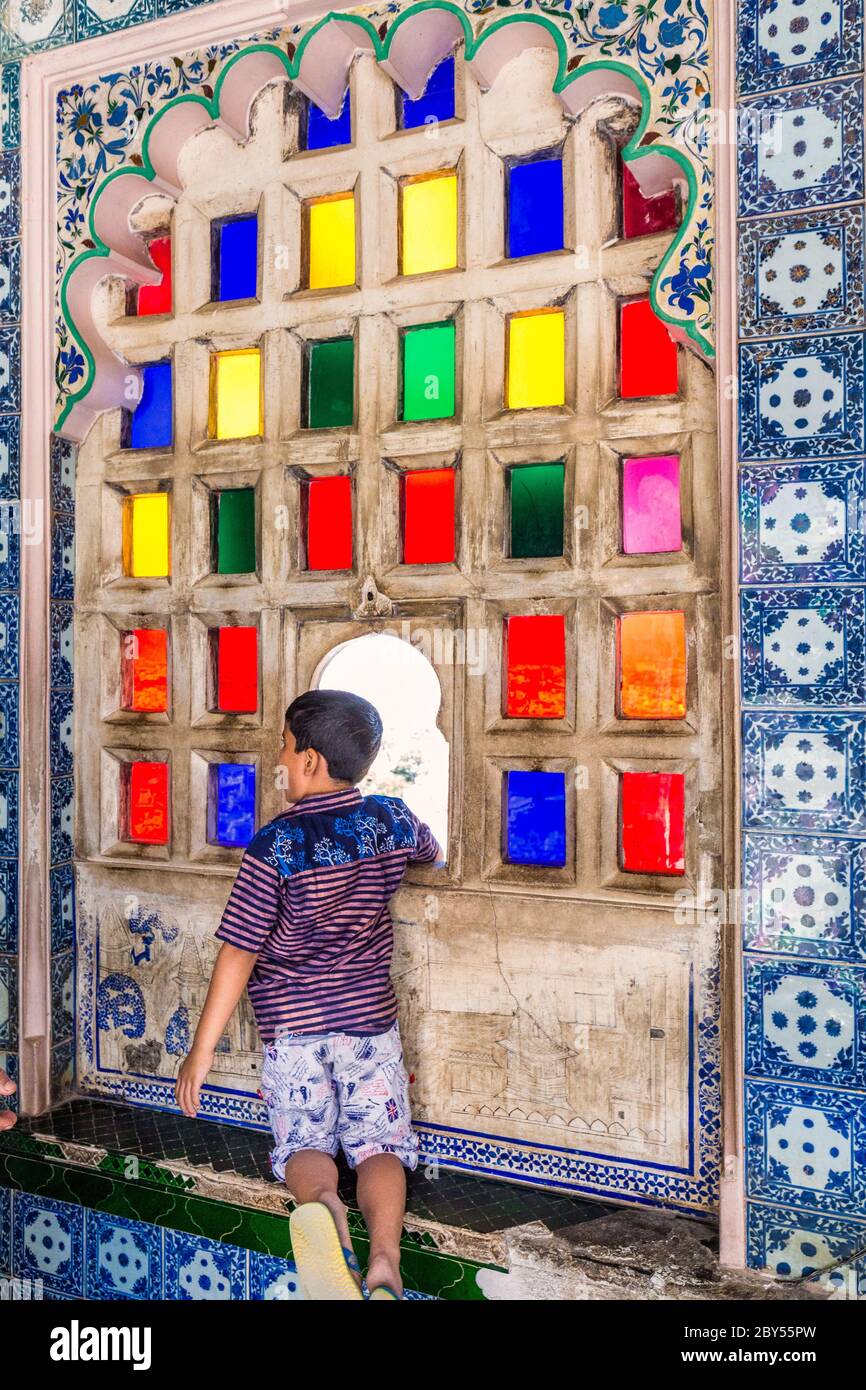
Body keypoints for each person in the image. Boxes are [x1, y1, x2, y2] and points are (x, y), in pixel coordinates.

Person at [176, 689, 443, 1300]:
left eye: (287, 748)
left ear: (312, 762)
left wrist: (202, 1051)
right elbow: (432, 852)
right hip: (369, 1024)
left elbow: (239, 952)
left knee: (304, 1146)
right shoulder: (391, 820)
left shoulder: (274, 846)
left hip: (293, 1032)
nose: (281, 758)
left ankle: (329, 1218)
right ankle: (383, 1261)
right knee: (381, 1146)